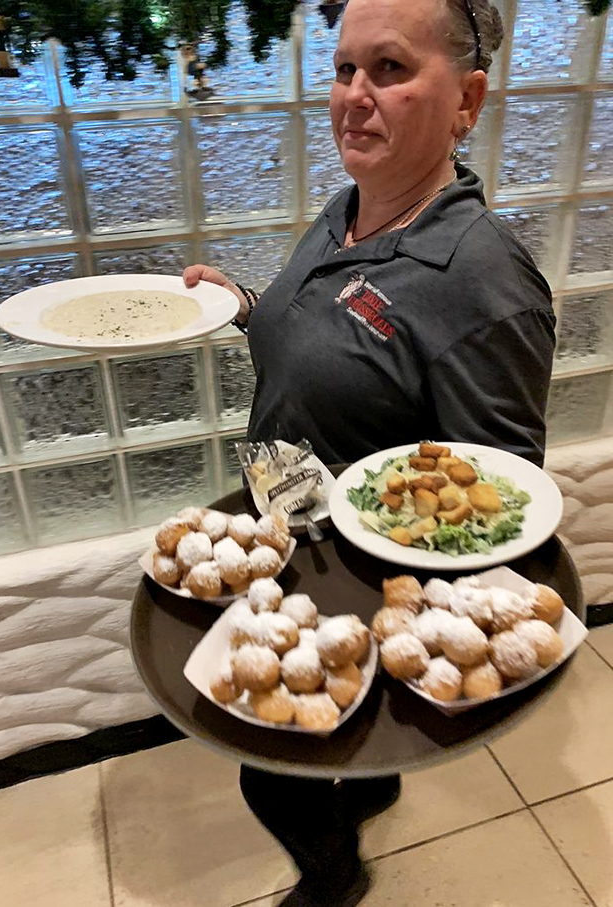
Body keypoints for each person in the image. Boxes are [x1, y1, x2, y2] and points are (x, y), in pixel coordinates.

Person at [183, 0, 555, 903]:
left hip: (349, 586)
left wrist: (411, 651)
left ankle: (333, 875)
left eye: (389, 69)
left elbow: (498, 499)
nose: (354, 96)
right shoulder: (350, 209)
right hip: (286, 525)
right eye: (345, 68)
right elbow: (333, 342)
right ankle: (367, 784)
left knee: (264, 762)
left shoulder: (482, 281)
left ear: (467, 99)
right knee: (325, 762)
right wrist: (243, 306)